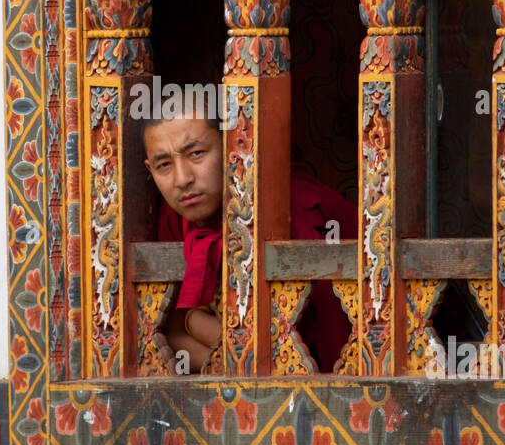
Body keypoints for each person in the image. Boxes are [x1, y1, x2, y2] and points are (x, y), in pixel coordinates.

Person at [143, 111, 357, 374]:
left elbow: (308, 352)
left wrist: (195, 322)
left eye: (196, 153)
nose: (182, 179)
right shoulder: (173, 218)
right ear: (149, 170)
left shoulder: (294, 210)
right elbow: (172, 336)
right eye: (163, 164)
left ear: (232, 149)